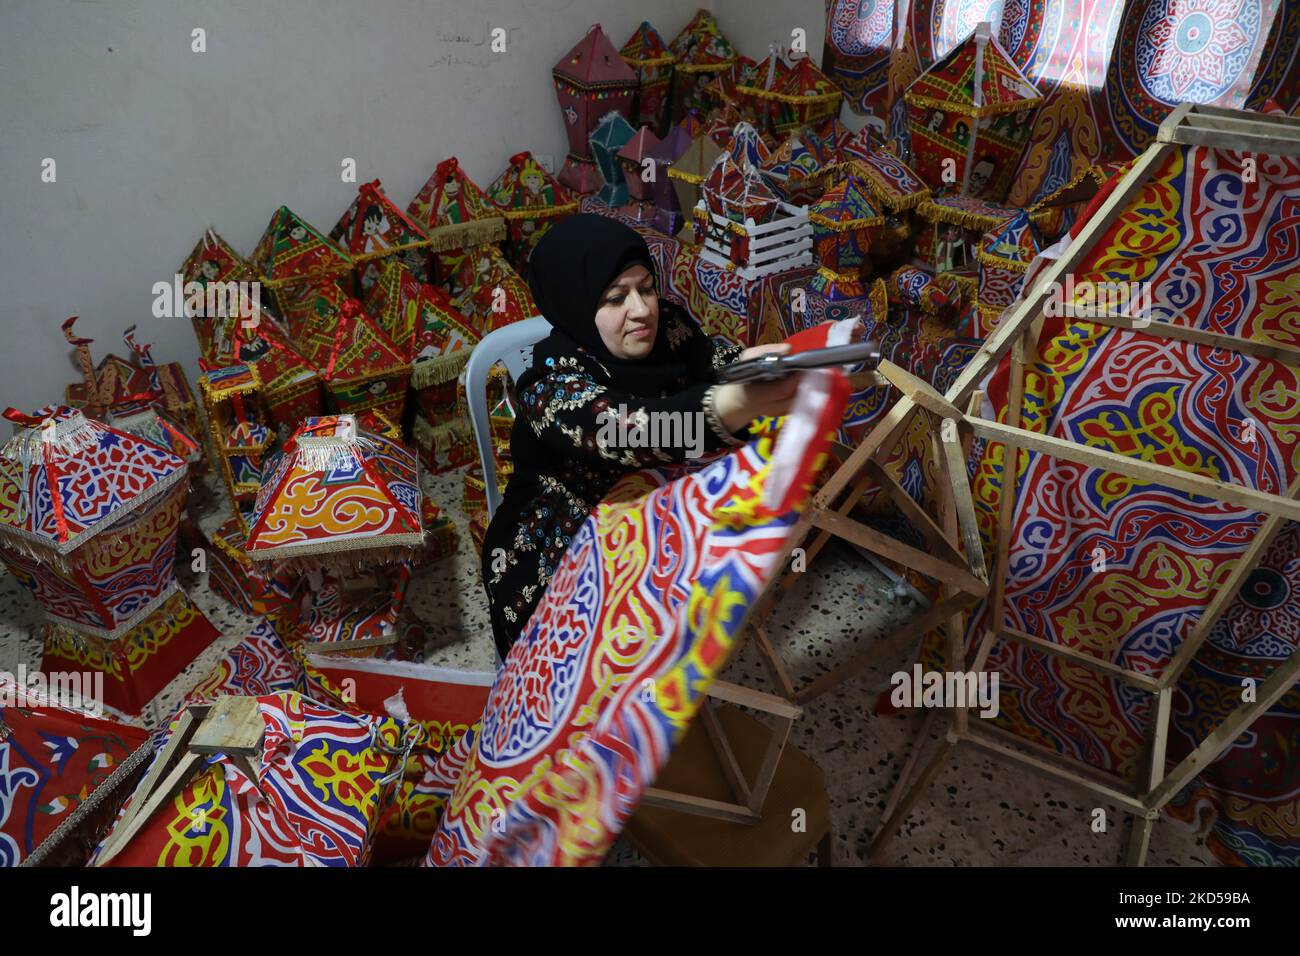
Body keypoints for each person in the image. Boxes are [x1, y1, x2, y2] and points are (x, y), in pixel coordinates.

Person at [481, 214, 797, 660]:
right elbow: (631, 430)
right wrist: (736, 403)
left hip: (655, 516)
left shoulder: (670, 331)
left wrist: (762, 364)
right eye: (615, 298)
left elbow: (714, 358)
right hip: (563, 551)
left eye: (646, 288)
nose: (642, 309)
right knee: (604, 667)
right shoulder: (551, 387)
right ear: (575, 303)